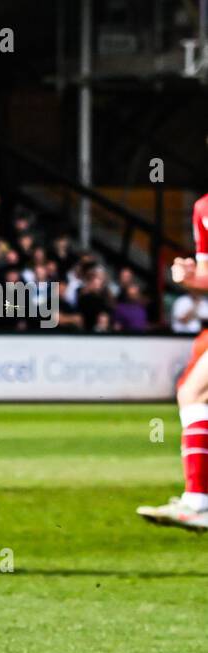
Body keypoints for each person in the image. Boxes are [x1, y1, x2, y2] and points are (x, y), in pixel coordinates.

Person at [137, 191, 208, 532]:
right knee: (193, 392)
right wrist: (192, 276)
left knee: (193, 393)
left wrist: (191, 278)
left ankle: (197, 502)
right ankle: (197, 500)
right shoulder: (202, 209)